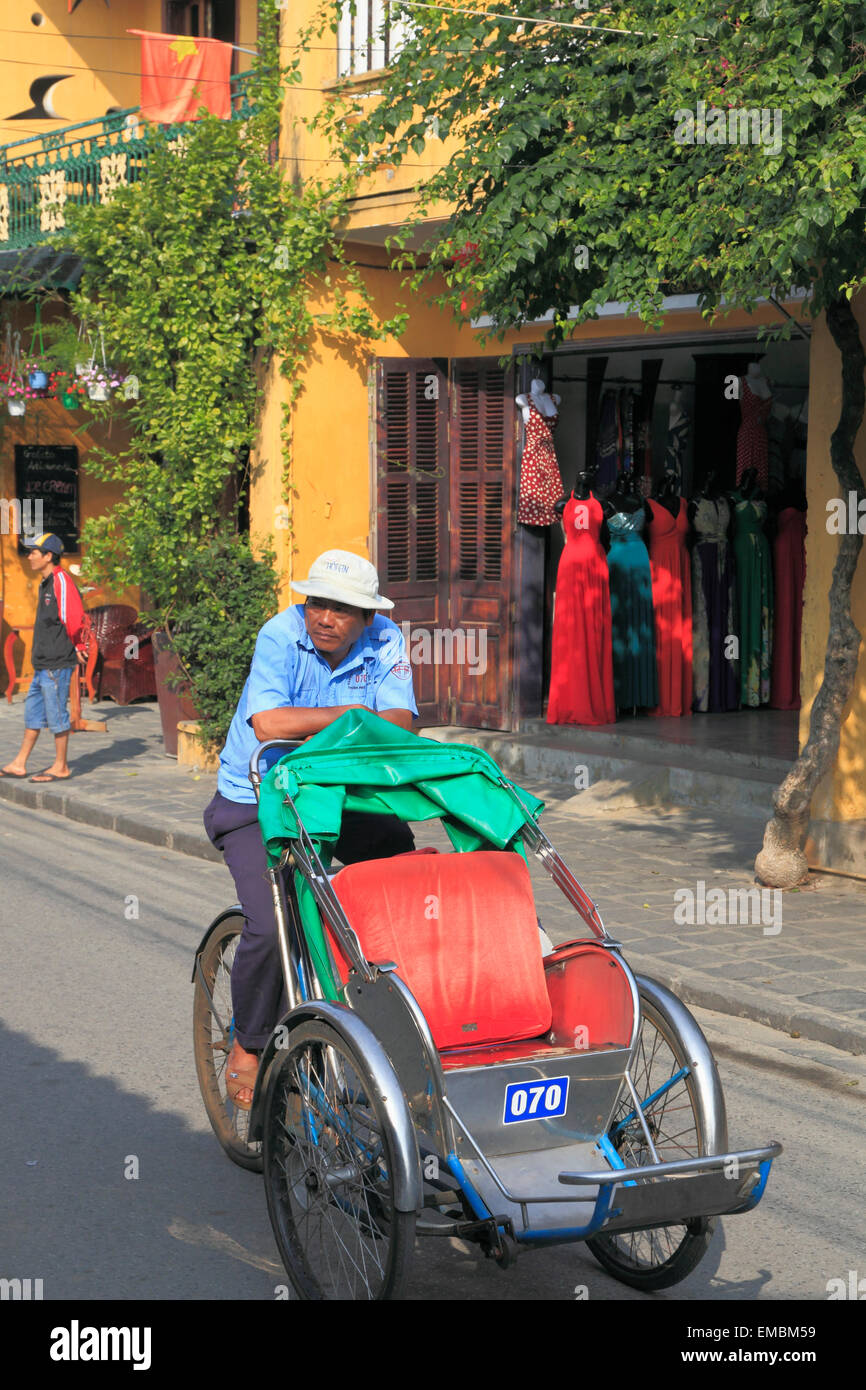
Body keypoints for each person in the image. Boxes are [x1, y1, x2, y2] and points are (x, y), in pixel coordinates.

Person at [203, 548, 418, 1108]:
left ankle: (386, 1006)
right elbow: (270, 722)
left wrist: (354, 723)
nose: (324, 617)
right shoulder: (279, 634)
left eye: (342, 609)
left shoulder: (388, 639)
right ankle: (248, 1044)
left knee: (402, 872)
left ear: (367, 618)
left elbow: (399, 724)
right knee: (272, 925)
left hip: (331, 795)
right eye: (316, 603)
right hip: (256, 800)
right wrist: (355, 719)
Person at [1, 533, 86, 783]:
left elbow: (73, 616)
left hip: (56, 663)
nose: (29, 557)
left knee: (57, 715)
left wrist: (79, 643)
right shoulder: (46, 582)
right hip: (43, 664)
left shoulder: (61, 581)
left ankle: (61, 766)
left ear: (48, 556)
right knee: (33, 714)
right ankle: (19, 763)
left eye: (34, 553)